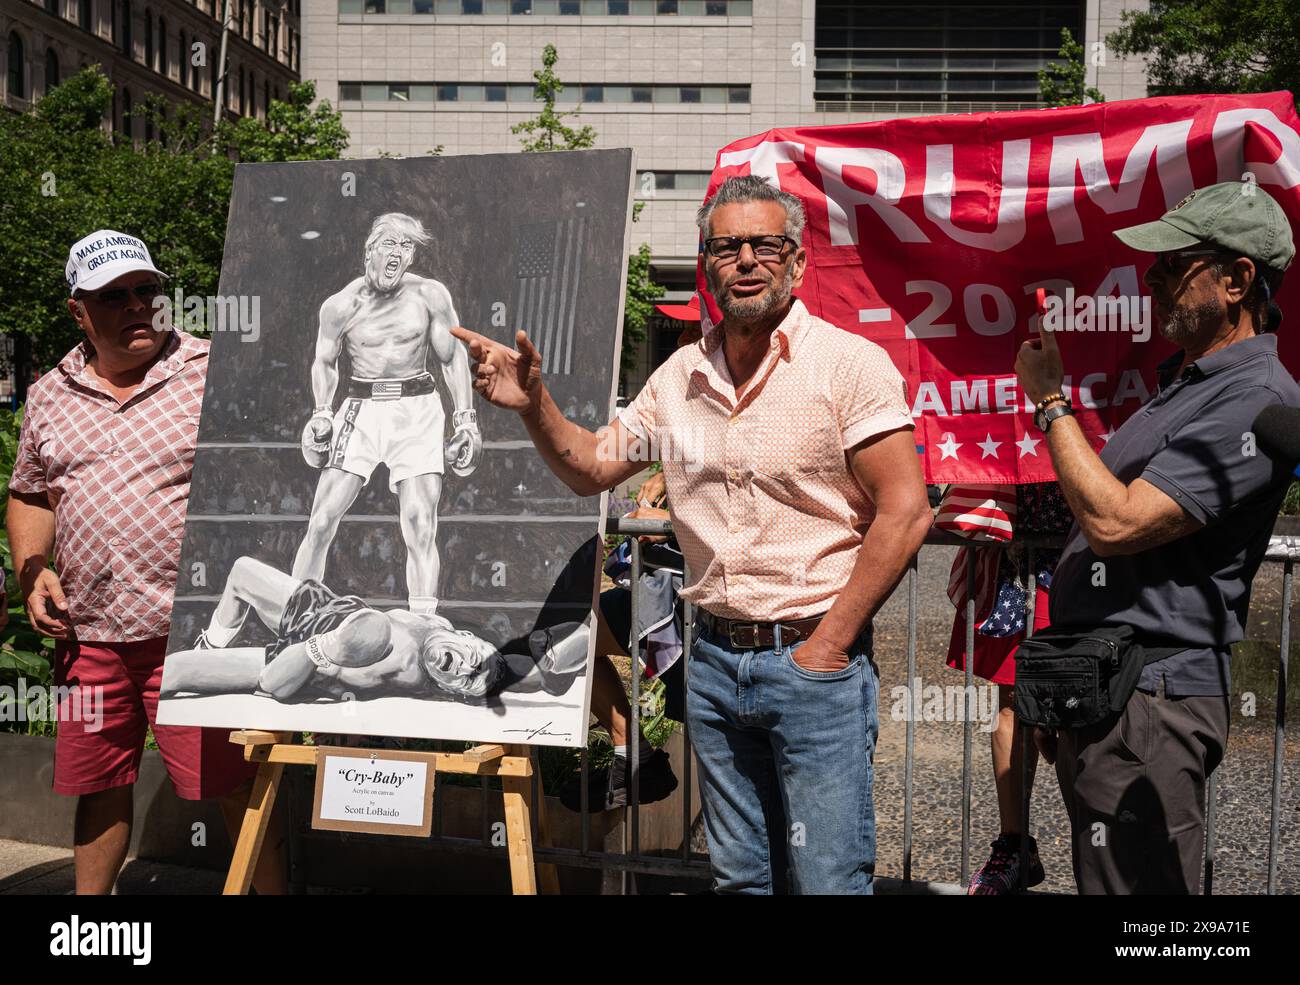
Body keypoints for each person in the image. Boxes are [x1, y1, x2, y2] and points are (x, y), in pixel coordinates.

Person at [453, 175, 933, 894]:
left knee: (829, 879)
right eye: (726, 246)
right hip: (712, 665)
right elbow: (593, 467)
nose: (745, 260)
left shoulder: (848, 364)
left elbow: (906, 509)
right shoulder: (678, 377)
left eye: (764, 245)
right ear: (706, 265)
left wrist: (828, 645)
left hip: (814, 667)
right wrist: (534, 407)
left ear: (797, 263)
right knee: (740, 878)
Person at [1014, 181, 1300, 894]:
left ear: (1237, 281)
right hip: (1115, 692)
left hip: (1152, 701)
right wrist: (1071, 682)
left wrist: (1051, 402)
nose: (1152, 278)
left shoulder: (1257, 394)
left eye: (1175, 265)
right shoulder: (1190, 384)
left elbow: (1115, 522)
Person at [6, 230, 284, 894]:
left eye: (146, 291)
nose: (136, 306)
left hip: (193, 633)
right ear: (79, 311)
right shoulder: (49, 392)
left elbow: (276, 479)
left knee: (234, 781)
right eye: (113, 296)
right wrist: (31, 567)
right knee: (96, 782)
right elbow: (29, 492)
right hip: (89, 634)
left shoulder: (215, 374)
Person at [294, 212, 481, 616]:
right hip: (360, 409)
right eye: (391, 244)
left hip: (418, 409)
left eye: (407, 246)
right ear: (371, 250)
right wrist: (322, 413)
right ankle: (295, 616)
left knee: (419, 522)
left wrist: (465, 420)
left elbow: (451, 359)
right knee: (323, 518)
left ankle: (423, 624)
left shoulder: (430, 295)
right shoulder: (340, 305)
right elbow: (325, 362)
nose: (398, 254)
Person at [164, 556, 586, 701]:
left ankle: (203, 655)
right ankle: (210, 641)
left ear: (450, 690)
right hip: (327, 609)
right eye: (472, 663)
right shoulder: (464, 645)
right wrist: (553, 658)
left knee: (178, 671)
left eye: (464, 681)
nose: (462, 669)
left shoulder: (395, 663)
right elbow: (524, 673)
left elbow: (277, 684)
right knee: (240, 573)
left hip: (309, 658)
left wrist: (321, 651)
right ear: (470, 637)